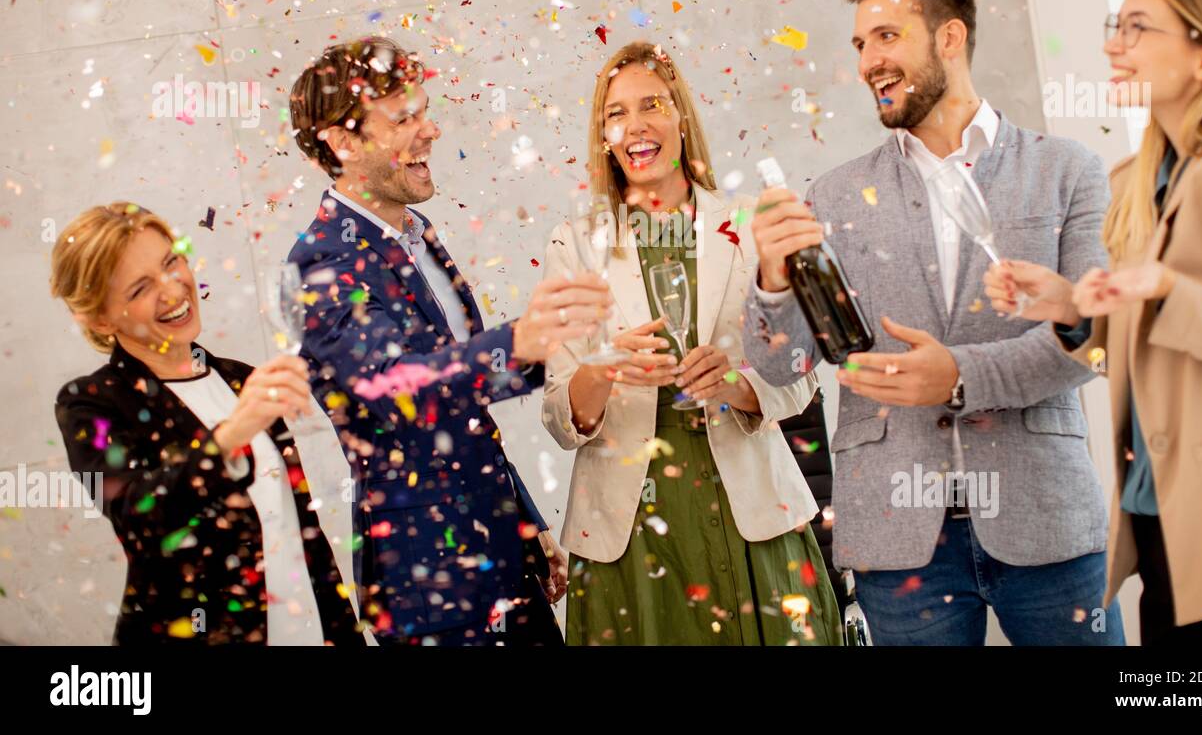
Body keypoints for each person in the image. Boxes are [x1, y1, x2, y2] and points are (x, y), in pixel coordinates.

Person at [743, 0, 1124, 645]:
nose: (868, 61)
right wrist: (771, 280)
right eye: (860, 44)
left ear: (949, 39)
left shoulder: (1067, 170)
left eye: (886, 37)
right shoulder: (831, 194)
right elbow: (782, 366)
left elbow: (1093, 338)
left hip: (1047, 519)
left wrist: (960, 377)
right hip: (897, 538)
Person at [983, 0, 1202, 645]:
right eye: (1113, 26)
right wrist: (1072, 308)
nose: (1112, 45)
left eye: (1138, 27)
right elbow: (1158, 355)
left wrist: (1171, 292)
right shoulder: (1136, 182)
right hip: (1167, 534)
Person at [287, 37, 611, 645]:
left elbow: (459, 416)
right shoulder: (320, 263)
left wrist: (526, 522)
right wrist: (520, 344)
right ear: (343, 141)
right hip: (429, 584)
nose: (429, 130)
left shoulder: (418, 232)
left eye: (424, 111)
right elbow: (398, 391)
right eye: (403, 119)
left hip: (507, 559)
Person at [541, 41, 841, 645]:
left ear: (681, 114)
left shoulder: (750, 225)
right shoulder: (573, 244)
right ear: (603, 136)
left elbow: (803, 376)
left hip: (752, 515)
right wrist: (605, 368)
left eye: (651, 103)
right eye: (615, 113)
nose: (635, 126)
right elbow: (556, 413)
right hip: (628, 531)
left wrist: (741, 385)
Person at [51, 202, 363, 646]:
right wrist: (233, 434)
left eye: (170, 262)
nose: (173, 288)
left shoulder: (241, 378)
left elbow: (303, 537)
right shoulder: (91, 404)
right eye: (140, 288)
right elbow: (143, 520)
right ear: (100, 317)